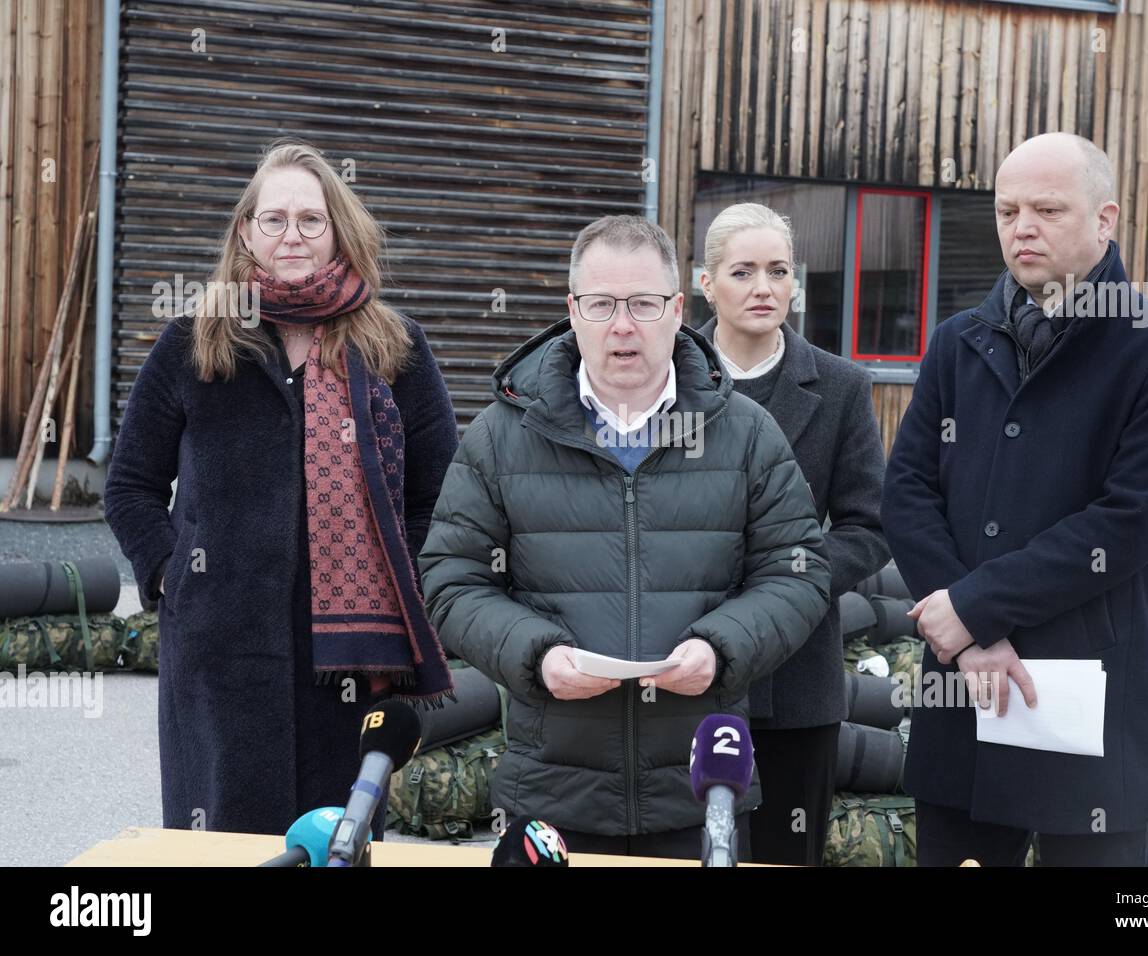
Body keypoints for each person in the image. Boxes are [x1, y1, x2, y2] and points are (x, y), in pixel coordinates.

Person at [418, 215, 831, 860]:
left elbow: (798, 571)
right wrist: (538, 655)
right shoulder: (501, 435)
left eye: (642, 304)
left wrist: (722, 648)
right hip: (550, 796)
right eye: (602, 304)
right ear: (573, 311)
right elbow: (450, 579)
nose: (622, 325)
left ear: (676, 309)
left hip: (700, 795)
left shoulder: (746, 433)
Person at [103, 140, 457, 838]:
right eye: (274, 220)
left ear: (337, 231)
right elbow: (131, 486)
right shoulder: (195, 342)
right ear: (247, 234)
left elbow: (440, 496)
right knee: (222, 845)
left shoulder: (396, 348)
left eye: (310, 219)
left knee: (338, 841)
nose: (291, 235)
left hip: (350, 670)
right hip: (218, 655)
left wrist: (399, 576)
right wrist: (177, 577)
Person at [882, 132, 1148, 866]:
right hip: (965, 704)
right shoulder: (957, 342)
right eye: (1006, 211)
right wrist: (964, 629)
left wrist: (975, 608)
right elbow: (905, 492)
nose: (1020, 227)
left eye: (1046, 209)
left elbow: (1129, 521)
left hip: (1094, 711)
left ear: (1106, 219)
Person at [696, 202, 890, 866]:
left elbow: (870, 526)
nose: (763, 287)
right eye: (743, 271)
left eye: (779, 271)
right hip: (682, 664)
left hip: (796, 674)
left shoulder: (839, 387)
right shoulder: (665, 379)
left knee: (785, 854)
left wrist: (790, 582)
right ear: (705, 283)